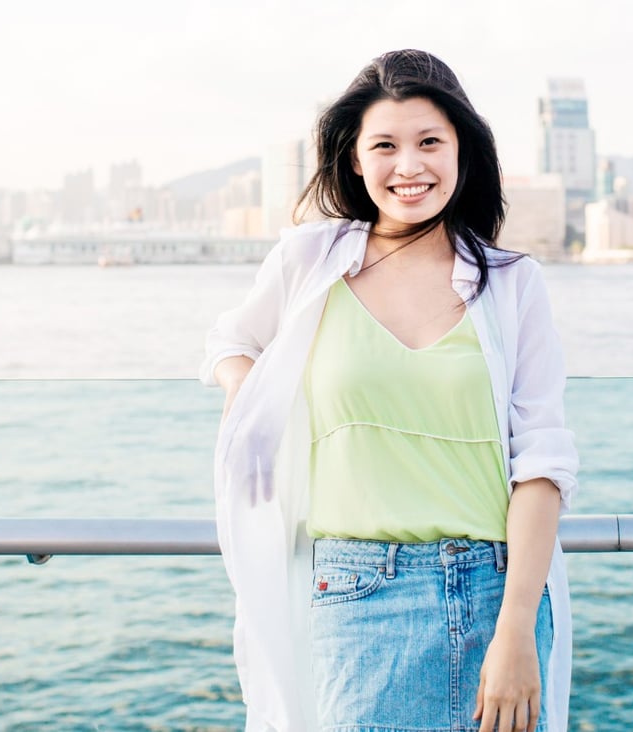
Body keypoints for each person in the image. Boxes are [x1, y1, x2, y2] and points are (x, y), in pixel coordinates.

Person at [201, 49, 578, 732]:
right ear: (355, 159)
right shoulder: (310, 260)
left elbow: (542, 465)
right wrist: (249, 394)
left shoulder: (513, 283)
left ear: (463, 150)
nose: (410, 166)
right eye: (385, 146)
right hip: (356, 594)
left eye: (430, 141)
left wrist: (518, 626)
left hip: (503, 591)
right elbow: (230, 341)